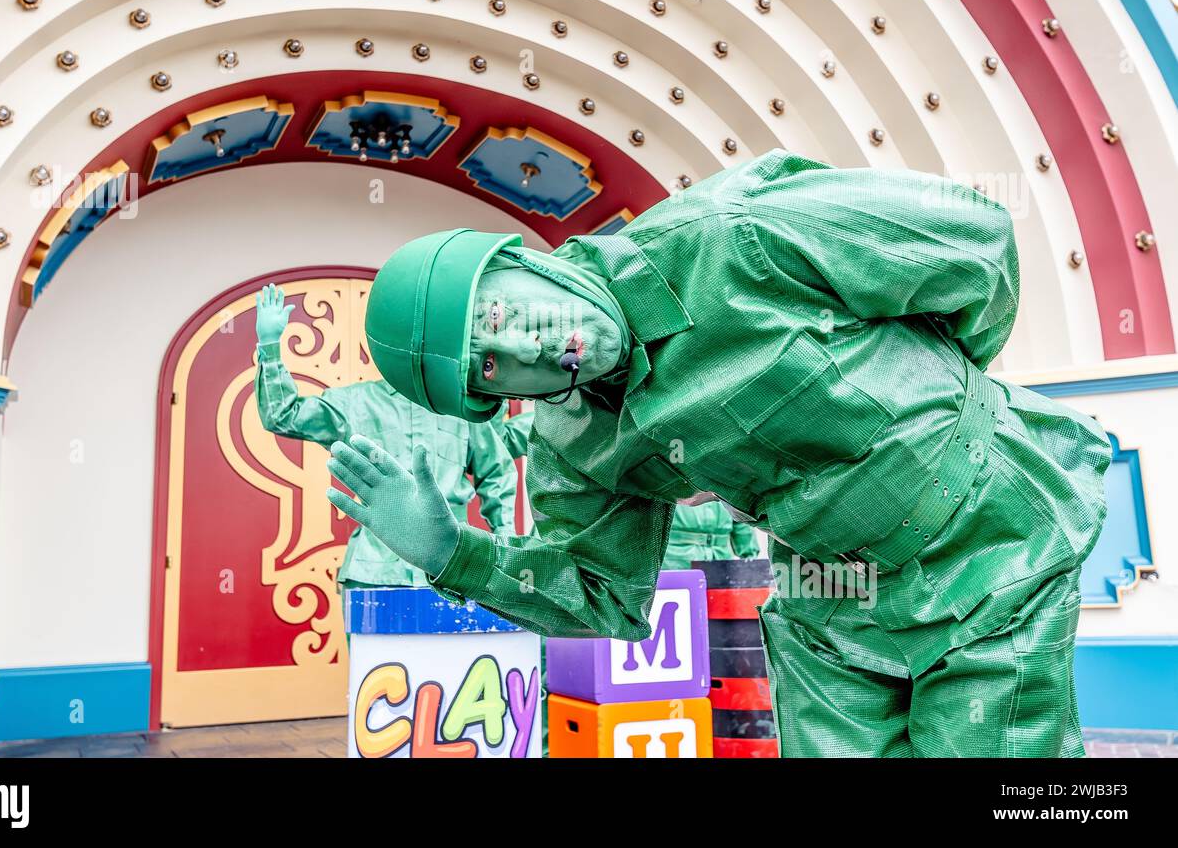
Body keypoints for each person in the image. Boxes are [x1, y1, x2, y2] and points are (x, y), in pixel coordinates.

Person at [325, 150, 1110, 757]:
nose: (519, 340)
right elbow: (604, 596)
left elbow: (974, 241)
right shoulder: (574, 437)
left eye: (496, 309)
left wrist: (949, 418)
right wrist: (449, 550)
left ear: (523, 259)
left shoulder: (734, 234)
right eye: (489, 365)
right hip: (829, 599)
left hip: (987, 544)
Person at [252, 284, 519, 595]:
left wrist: (506, 546)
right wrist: (269, 347)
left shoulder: (460, 405)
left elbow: (496, 473)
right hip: (374, 571)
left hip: (454, 569)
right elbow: (283, 415)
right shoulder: (354, 402)